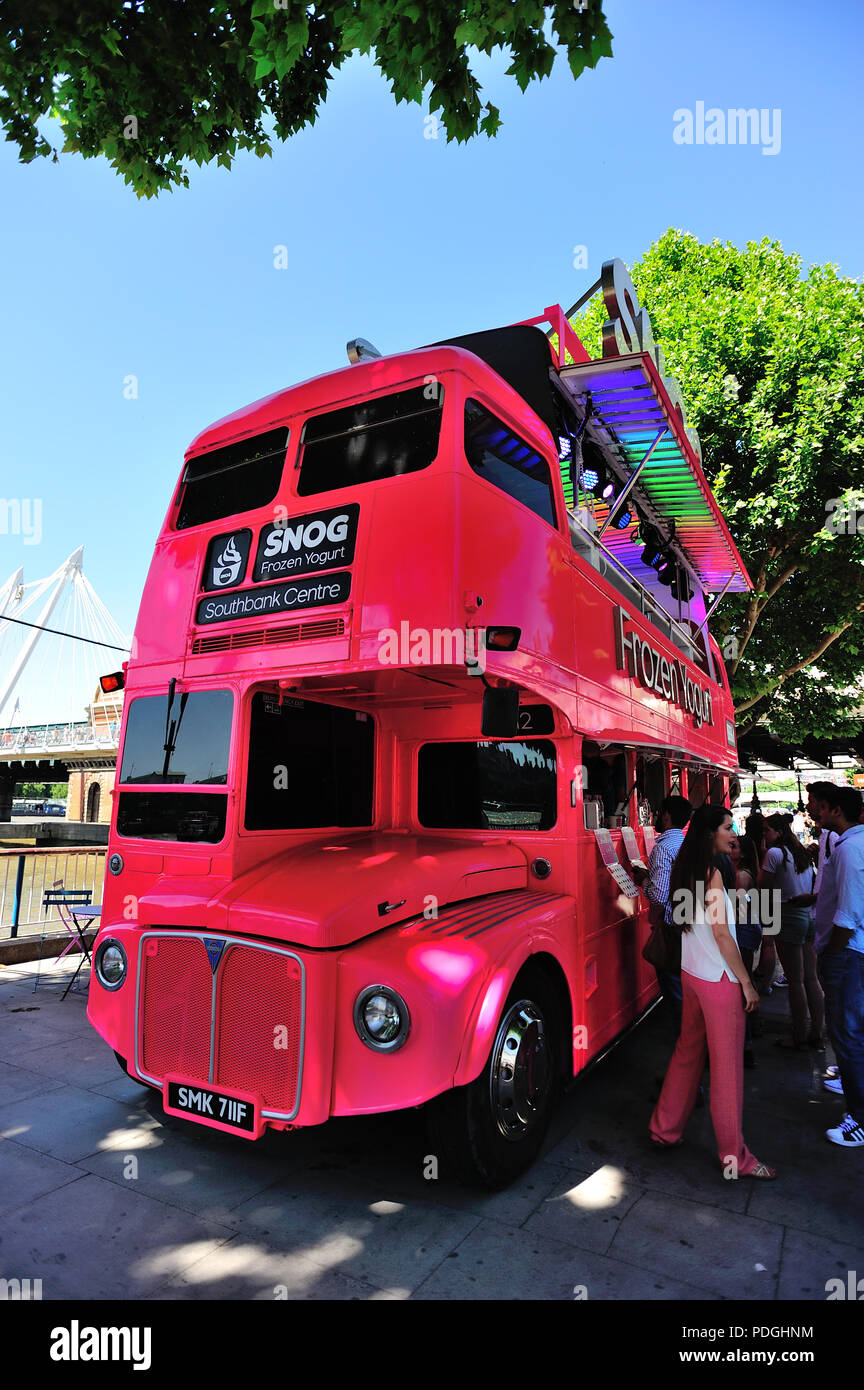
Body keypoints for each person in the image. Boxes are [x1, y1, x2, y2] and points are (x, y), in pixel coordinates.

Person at [649, 804, 776, 1179]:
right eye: (727, 826)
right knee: (726, 1073)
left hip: (692, 974)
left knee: (686, 1054)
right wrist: (747, 982)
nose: (734, 832)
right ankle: (736, 1159)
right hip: (719, 980)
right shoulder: (714, 871)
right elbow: (722, 933)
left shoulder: (684, 865)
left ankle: (664, 1130)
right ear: (710, 833)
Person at [812, 785, 864, 1148]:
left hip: (847, 954)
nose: (813, 810)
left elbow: (845, 917)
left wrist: (830, 953)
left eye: (817, 806)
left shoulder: (848, 849)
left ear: (833, 810)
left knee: (847, 1038)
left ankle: (859, 1119)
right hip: (855, 953)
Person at [758, 813, 824, 1049]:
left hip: (786, 913)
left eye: (767, 830)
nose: (763, 834)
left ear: (778, 832)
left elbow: (762, 885)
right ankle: (816, 1032)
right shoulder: (801, 854)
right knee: (811, 977)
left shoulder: (775, 854)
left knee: (795, 980)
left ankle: (798, 1035)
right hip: (807, 913)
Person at [631, 794, 692, 1037]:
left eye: (659, 812)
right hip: (688, 925)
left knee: (675, 994)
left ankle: (684, 1053)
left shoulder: (663, 848)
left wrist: (643, 881)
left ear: (666, 816)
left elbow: (658, 895)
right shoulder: (686, 844)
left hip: (671, 928)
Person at [729, 832, 761, 1066]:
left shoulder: (741, 875)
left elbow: (733, 906)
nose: (731, 848)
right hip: (747, 928)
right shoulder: (744, 872)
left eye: (735, 846)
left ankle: (746, 1044)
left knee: (743, 983)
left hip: (743, 929)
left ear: (744, 853)